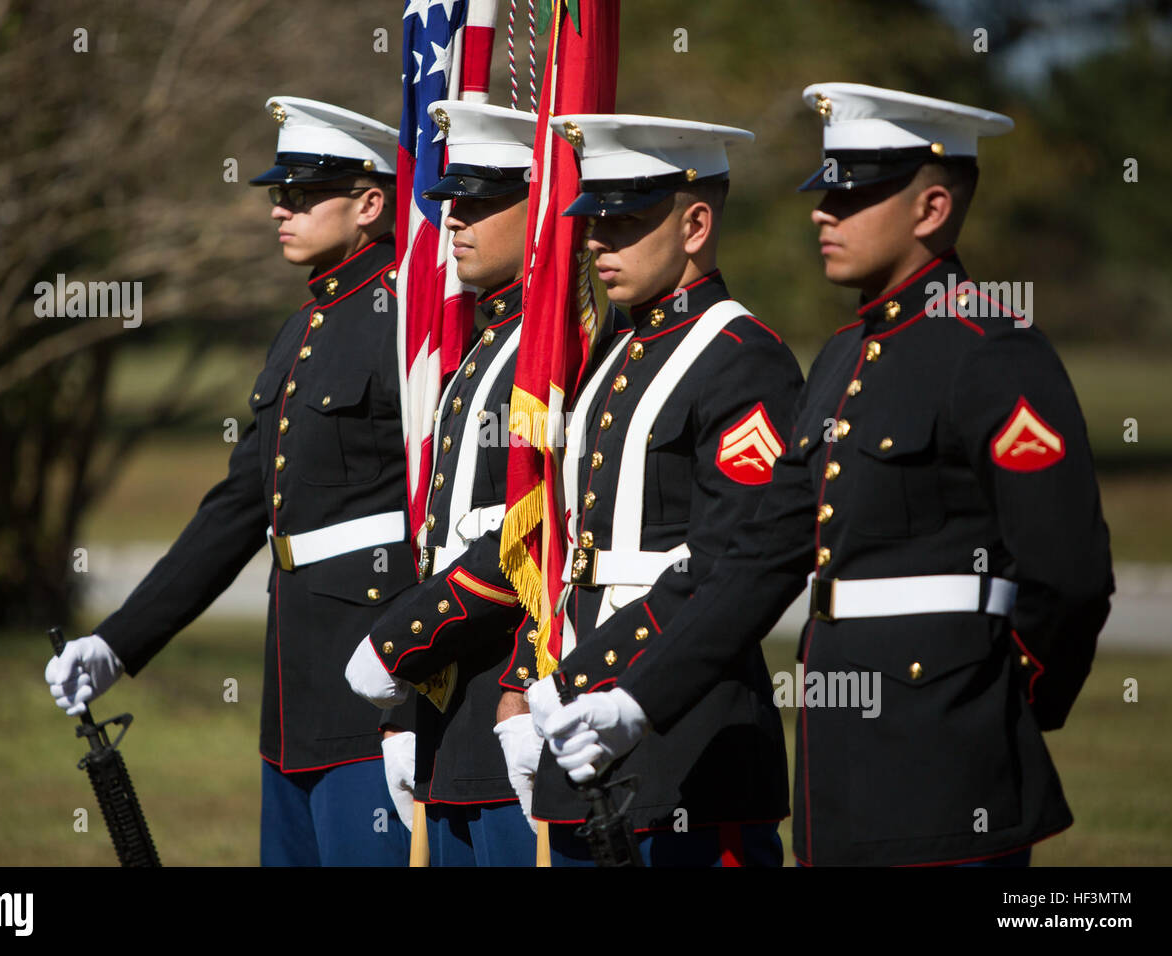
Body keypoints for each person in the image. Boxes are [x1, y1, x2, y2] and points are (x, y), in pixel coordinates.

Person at [536, 83, 1115, 867]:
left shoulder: (989, 348)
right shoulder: (843, 357)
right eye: (824, 196)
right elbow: (760, 559)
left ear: (932, 209)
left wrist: (1007, 707)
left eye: (853, 198)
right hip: (838, 765)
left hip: (949, 753)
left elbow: (1067, 573)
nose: (822, 214)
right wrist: (638, 700)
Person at [44, 97, 415, 866]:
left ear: (372, 204)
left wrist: (411, 696)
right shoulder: (300, 329)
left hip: (377, 683)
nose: (281, 208)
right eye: (279, 193)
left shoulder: (408, 321)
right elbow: (239, 509)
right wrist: (118, 643)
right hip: (292, 695)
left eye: (305, 194)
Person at [521, 113, 804, 866]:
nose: (596, 243)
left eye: (625, 224)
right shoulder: (615, 350)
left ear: (696, 224)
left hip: (687, 728)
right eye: (593, 225)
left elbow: (725, 563)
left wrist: (584, 680)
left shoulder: (743, 357)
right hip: (581, 708)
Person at [345, 101, 541, 866]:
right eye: (451, 199)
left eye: (483, 202)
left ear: (544, 208)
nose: (453, 219)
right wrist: (405, 715)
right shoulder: (484, 346)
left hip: (505, 695)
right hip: (449, 711)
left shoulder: (554, 352)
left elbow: (537, 539)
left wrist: (401, 647)